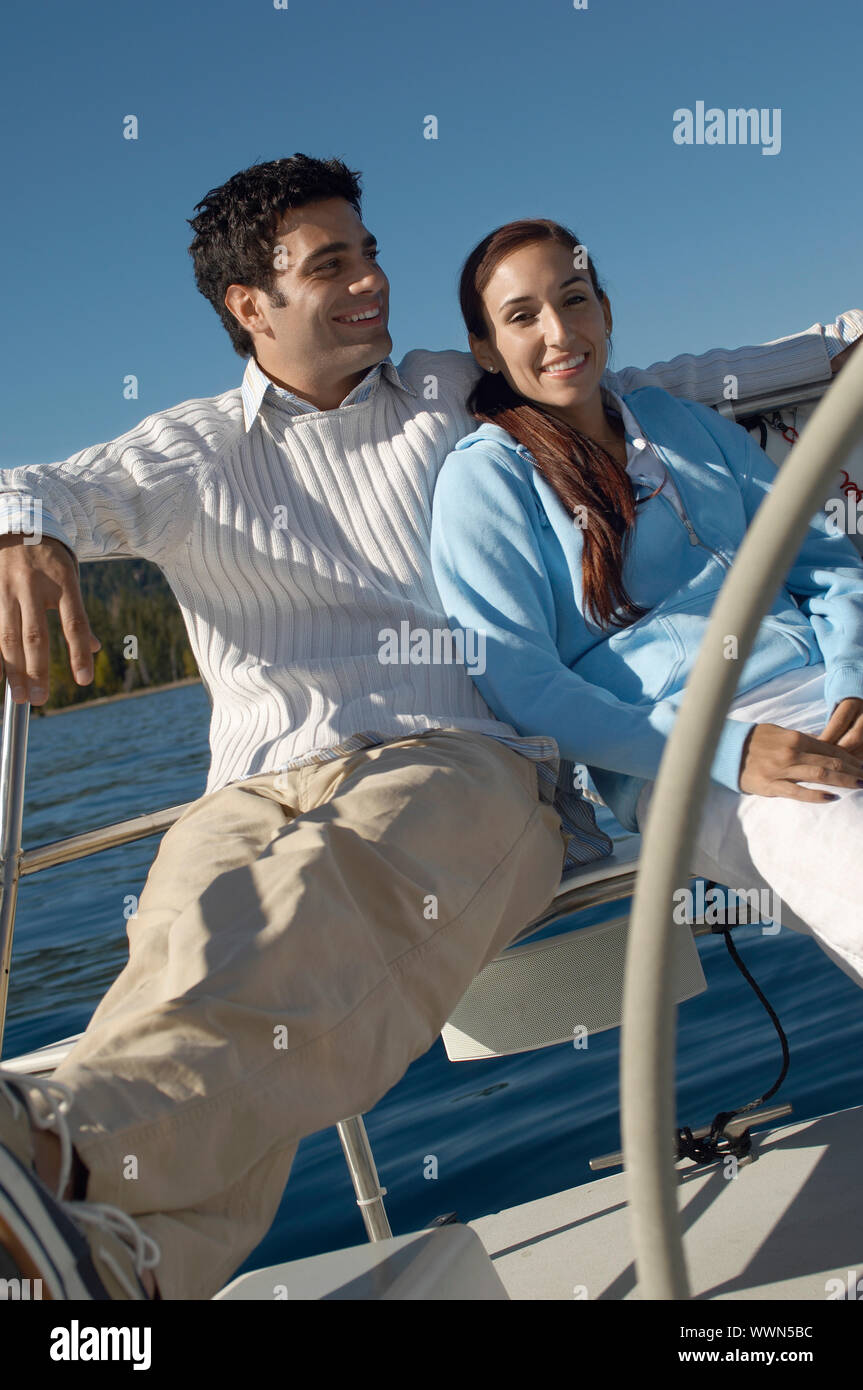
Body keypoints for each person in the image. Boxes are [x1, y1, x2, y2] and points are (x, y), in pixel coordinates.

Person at [0, 161, 857, 1303]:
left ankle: (49, 1144)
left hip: (451, 761)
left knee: (319, 910)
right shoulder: (187, 453)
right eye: (330, 266)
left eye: (367, 250)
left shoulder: (449, 387)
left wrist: (834, 347)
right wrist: (23, 534)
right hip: (248, 795)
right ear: (249, 307)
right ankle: (97, 1275)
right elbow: (42, 481)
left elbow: (639, 382)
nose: (371, 280)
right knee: (174, 978)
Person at [429, 217, 863, 999]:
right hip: (682, 757)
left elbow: (828, 568)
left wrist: (851, 685)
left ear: (604, 309)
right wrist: (724, 752)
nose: (559, 332)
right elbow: (525, 686)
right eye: (522, 316)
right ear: (485, 348)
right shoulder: (485, 480)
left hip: (825, 694)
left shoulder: (675, 422)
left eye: (575, 299)